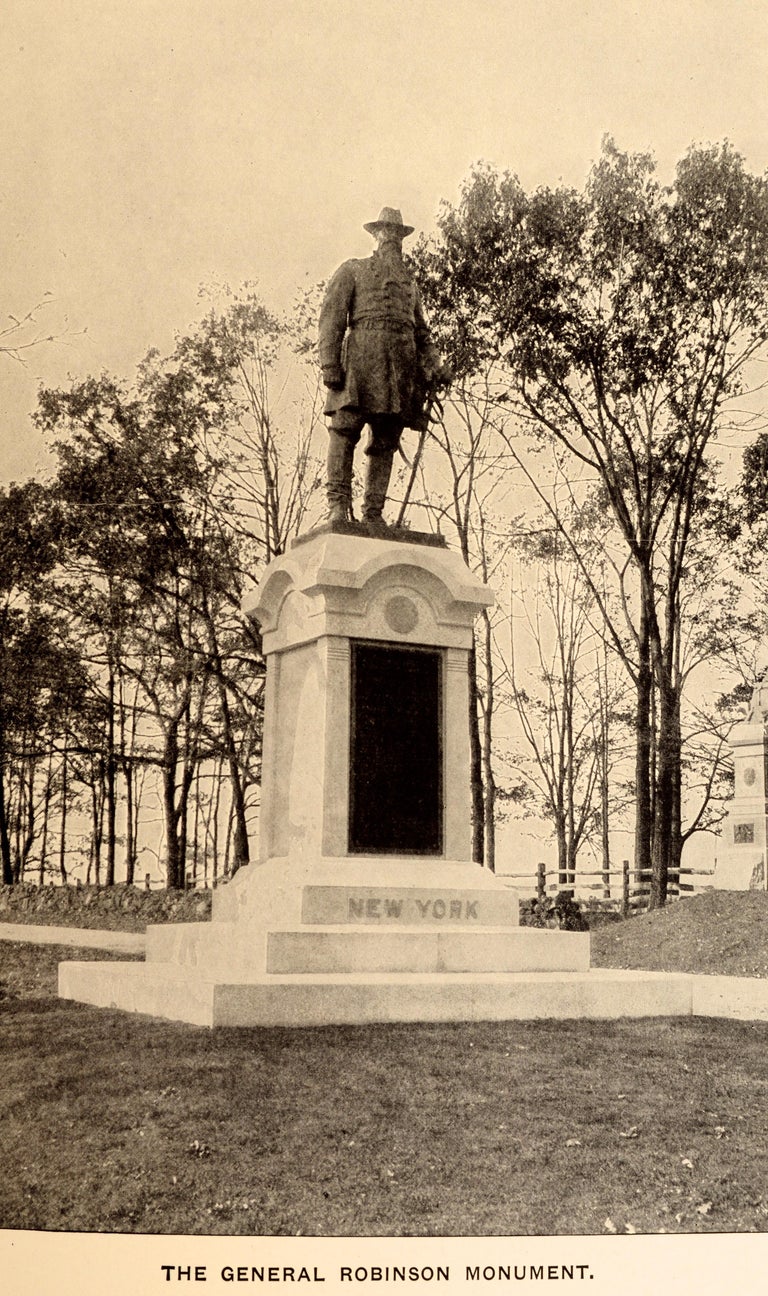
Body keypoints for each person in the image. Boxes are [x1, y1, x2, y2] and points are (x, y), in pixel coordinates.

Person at [318, 206, 450, 534]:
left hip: (399, 367)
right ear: (376, 236)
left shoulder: (409, 284)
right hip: (361, 360)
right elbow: (332, 316)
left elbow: (422, 333)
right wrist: (330, 363)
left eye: (397, 234)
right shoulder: (352, 270)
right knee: (345, 428)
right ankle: (337, 504)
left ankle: (373, 511)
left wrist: (434, 366)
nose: (392, 239)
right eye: (386, 232)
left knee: (386, 437)